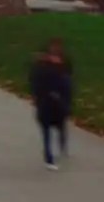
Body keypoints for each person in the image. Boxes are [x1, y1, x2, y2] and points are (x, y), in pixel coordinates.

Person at [29, 38, 73, 170]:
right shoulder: (57, 72)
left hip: (46, 105)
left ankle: (52, 154)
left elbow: (35, 86)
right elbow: (66, 86)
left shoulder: (41, 71)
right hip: (53, 106)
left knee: (49, 131)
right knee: (53, 130)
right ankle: (54, 153)